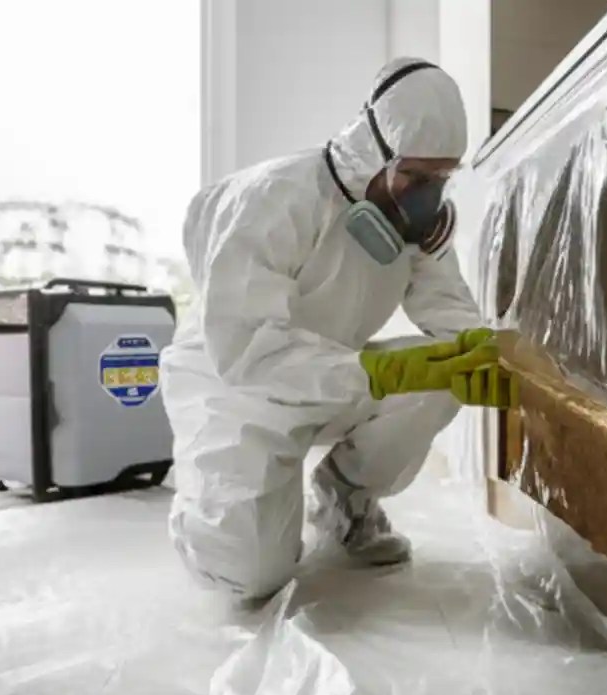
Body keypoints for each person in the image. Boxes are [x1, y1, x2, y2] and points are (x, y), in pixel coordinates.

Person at [159, 57, 512, 601]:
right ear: (375, 148)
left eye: (441, 178)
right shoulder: (275, 198)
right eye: (415, 176)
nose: (427, 195)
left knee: (448, 365)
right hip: (236, 389)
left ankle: (345, 495)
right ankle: (207, 513)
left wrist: (488, 350)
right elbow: (245, 346)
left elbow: (445, 303)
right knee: (248, 577)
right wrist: (378, 370)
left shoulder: (409, 220)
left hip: (332, 374)